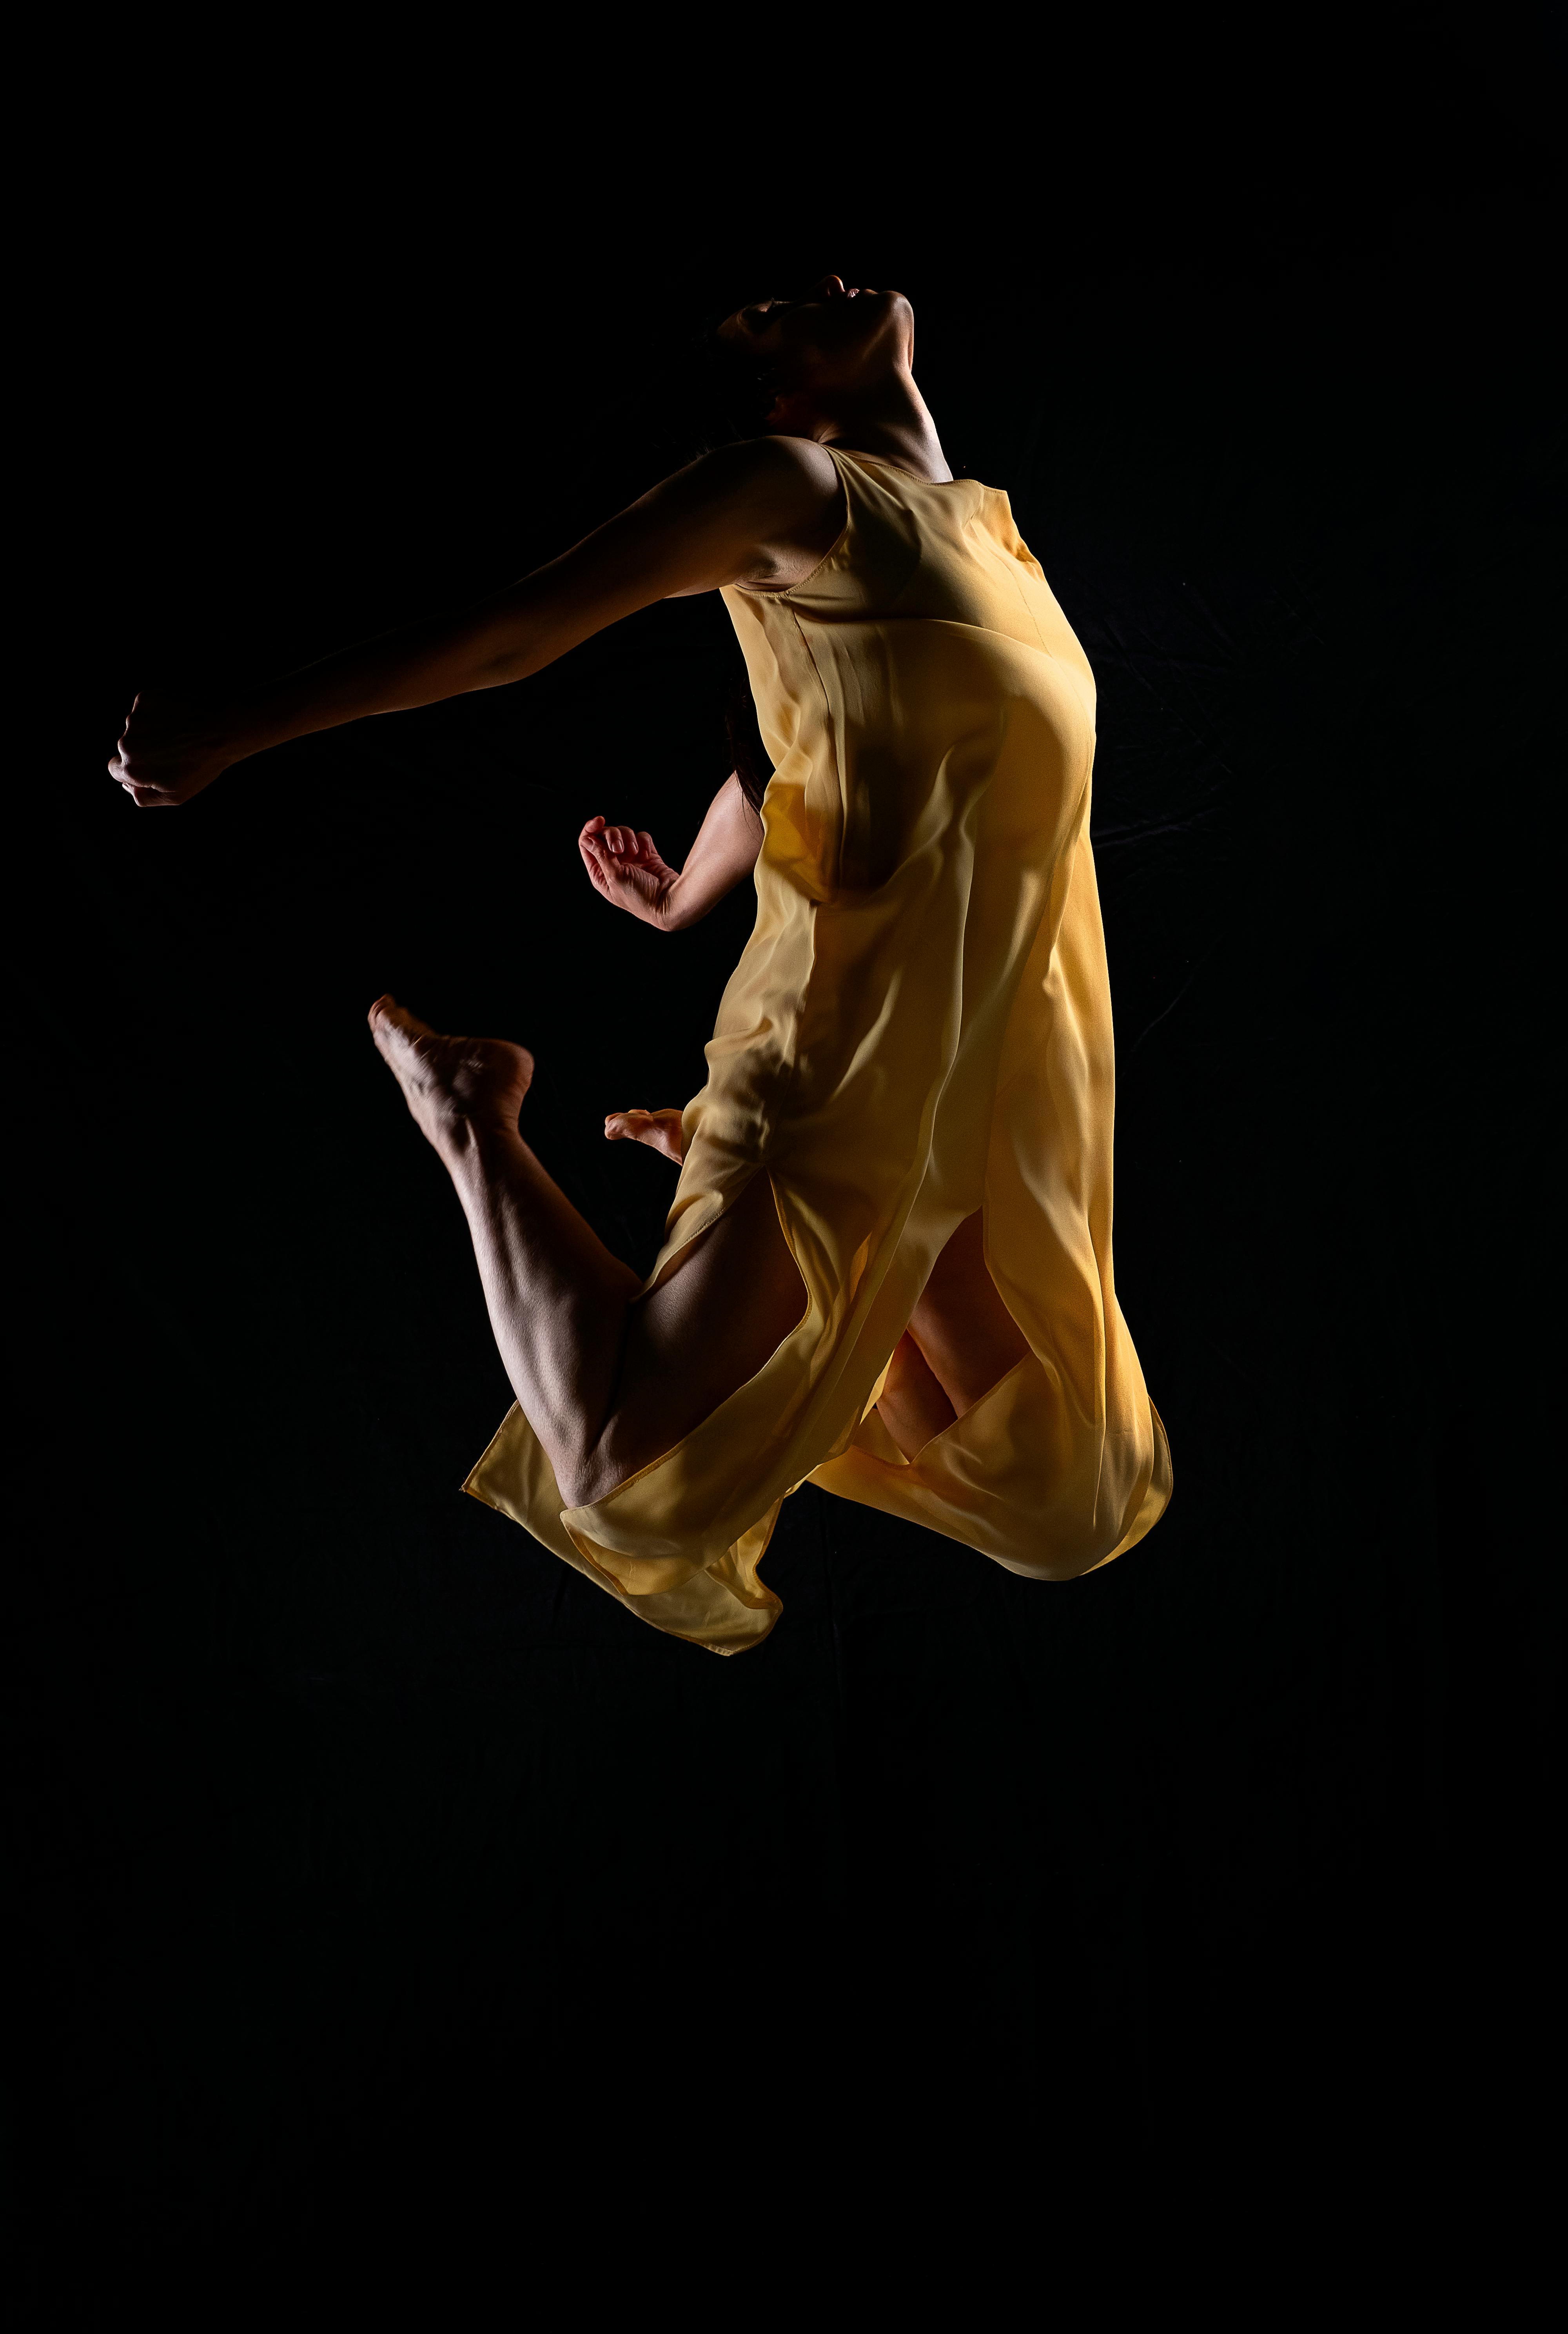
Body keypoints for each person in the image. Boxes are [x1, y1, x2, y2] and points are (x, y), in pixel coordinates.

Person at [111, 275, 1172, 1653]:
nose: (796, 294)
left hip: (983, 1084)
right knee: (620, 1481)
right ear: (783, 403)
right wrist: (244, 726)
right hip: (845, 1056)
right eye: (762, 323)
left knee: (1075, 1497)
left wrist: (686, 892)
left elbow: (852, 738)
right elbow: (517, 632)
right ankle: (471, 1113)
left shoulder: (986, 540)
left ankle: (827, 1298)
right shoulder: (795, 488)